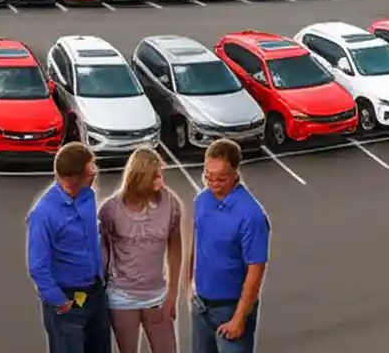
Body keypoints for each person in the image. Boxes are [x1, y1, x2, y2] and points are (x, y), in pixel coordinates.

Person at [185, 139, 270, 353]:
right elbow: (198, 241)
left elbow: (256, 268)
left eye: (220, 178)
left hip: (231, 309)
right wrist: (190, 286)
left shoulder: (251, 215)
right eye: (208, 176)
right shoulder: (202, 200)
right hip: (202, 306)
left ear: (235, 173)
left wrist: (239, 318)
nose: (212, 183)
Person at [27, 141, 111, 353]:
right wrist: (60, 302)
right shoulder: (43, 214)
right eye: (91, 169)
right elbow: (38, 266)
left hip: (96, 296)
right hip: (67, 303)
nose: (95, 173)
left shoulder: (88, 196)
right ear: (72, 179)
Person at [99, 147, 183, 353]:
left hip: (157, 296)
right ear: (139, 178)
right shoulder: (110, 210)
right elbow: (103, 253)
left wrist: (172, 294)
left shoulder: (170, 204)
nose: (161, 182)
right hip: (121, 297)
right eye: (155, 177)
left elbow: (175, 248)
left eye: (161, 175)